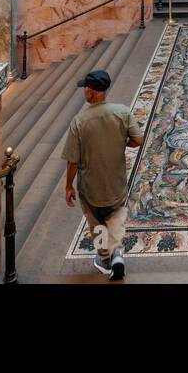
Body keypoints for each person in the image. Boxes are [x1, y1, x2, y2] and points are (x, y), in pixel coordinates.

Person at [62, 69, 143, 280]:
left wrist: (69, 186)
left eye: (85, 88)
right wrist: (122, 143)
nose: (84, 92)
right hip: (116, 182)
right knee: (115, 218)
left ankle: (105, 260)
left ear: (91, 92)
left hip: (91, 187)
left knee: (96, 224)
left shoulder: (79, 122)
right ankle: (117, 253)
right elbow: (138, 140)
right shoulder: (122, 112)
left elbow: (72, 160)